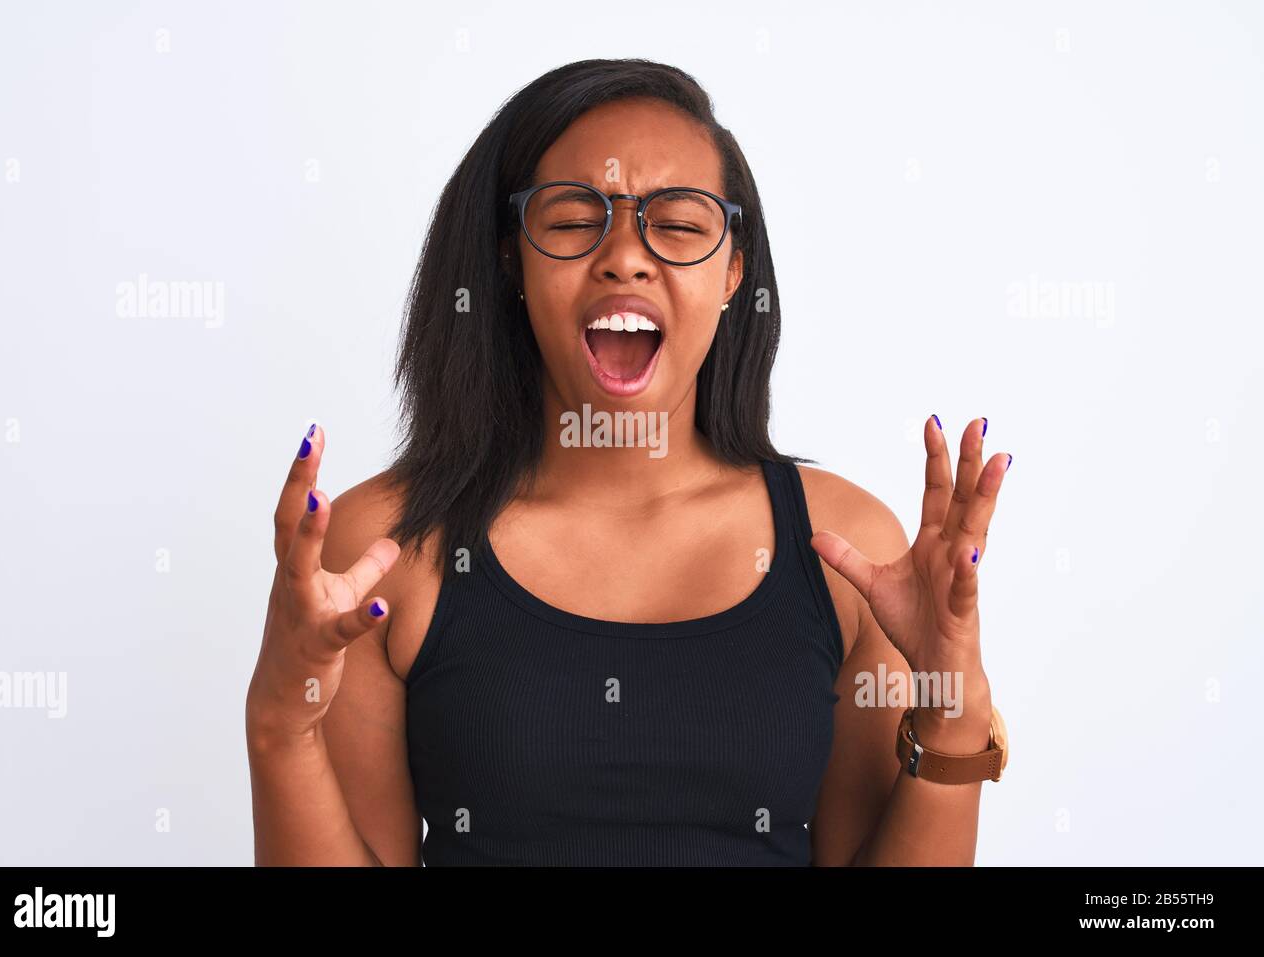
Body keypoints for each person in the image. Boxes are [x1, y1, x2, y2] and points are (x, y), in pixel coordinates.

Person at [245, 58, 1012, 866]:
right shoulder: (385, 550)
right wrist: (279, 723)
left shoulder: (843, 547)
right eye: (575, 219)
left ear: (733, 272)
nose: (625, 256)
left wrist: (952, 709)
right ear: (510, 260)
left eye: (678, 225)